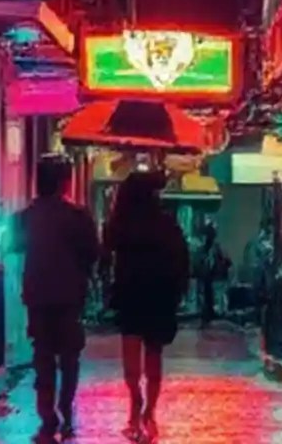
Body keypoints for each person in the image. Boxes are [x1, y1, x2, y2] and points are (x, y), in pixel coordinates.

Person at [13, 154, 100, 443]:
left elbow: (13, 244)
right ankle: (64, 408)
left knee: (43, 356)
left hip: (38, 296)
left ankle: (47, 414)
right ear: (65, 182)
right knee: (69, 356)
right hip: (68, 296)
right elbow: (93, 253)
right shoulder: (78, 217)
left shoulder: (26, 217)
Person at [100, 170, 190, 442]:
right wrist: (178, 291)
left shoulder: (120, 224)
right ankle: (149, 410)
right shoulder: (166, 223)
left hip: (130, 293)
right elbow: (181, 259)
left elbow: (105, 257)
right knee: (154, 356)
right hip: (160, 295)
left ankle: (135, 402)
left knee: (131, 356)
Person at [196, 223, 231, 327]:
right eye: (207, 234)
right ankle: (209, 316)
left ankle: (214, 316)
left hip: (216, 281)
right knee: (207, 302)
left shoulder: (217, 249)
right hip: (207, 280)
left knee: (215, 303)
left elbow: (228, 262)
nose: (208, 237)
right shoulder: (203, 250)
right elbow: (199, 265)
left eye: (210, 234)